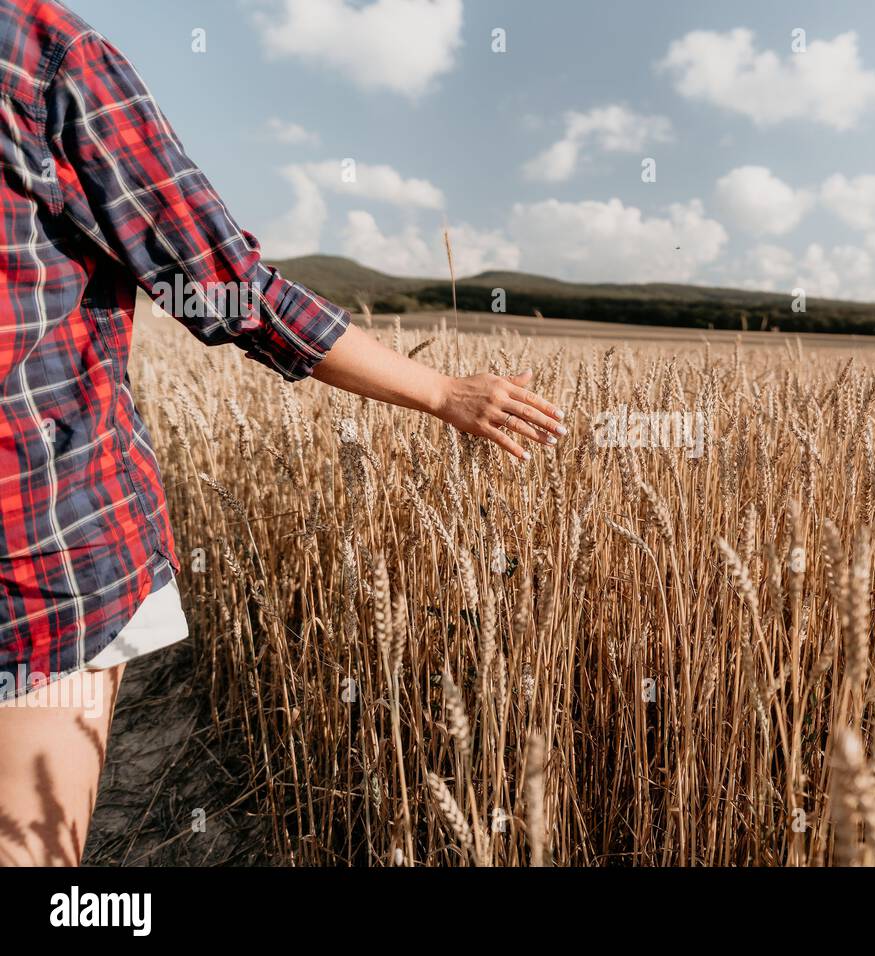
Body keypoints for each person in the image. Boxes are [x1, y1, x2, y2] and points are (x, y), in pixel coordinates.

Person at [0, 0, 565, 865]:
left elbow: (223, 291)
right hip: (45, 558)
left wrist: (450, 392)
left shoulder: (42, 56)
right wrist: (446, 392)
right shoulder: (37, 54)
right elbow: (228, 290)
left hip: (39, 564)